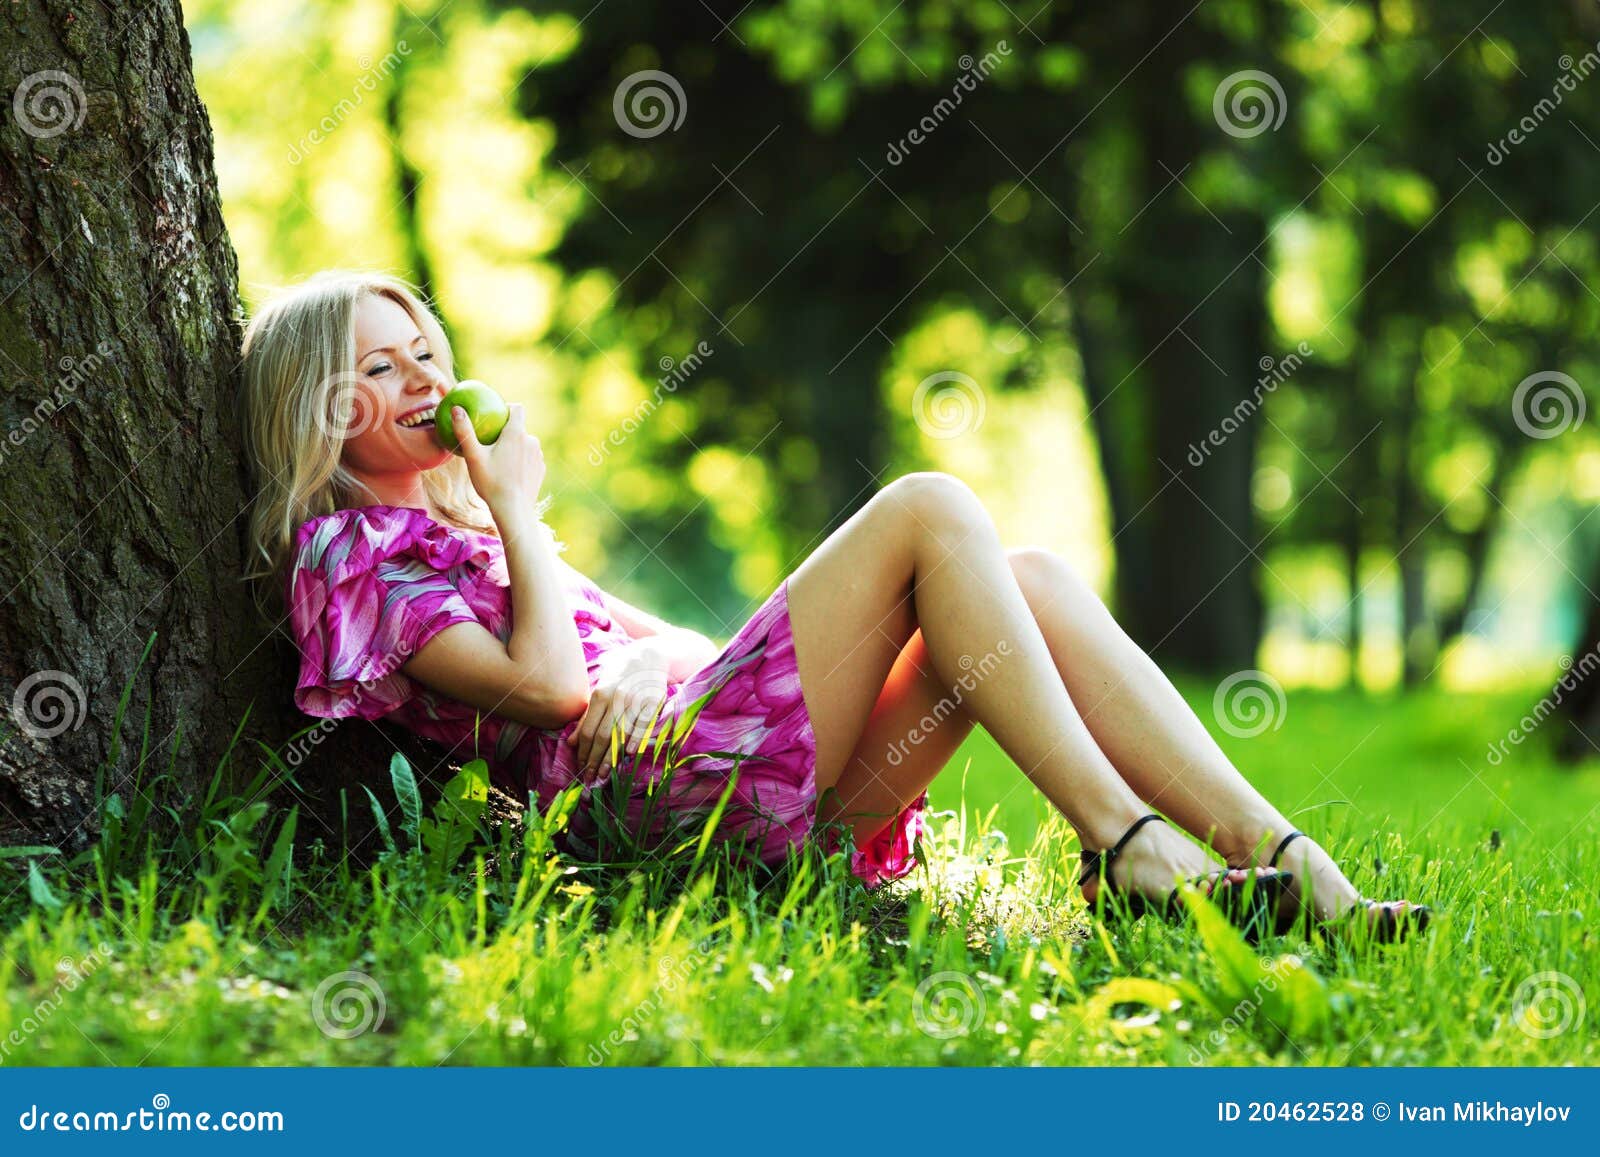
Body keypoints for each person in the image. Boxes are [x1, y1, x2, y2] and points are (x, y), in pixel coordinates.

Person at [241, 270, 1431, 942]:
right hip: (656, 815)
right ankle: (1124, 843)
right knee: (925, 503)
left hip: (714, 776)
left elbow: (651, 655)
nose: (427, 383)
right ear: (313, 409)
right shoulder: (350, 552)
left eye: (426, 352)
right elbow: (550, 687)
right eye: (380, 368)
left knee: (1035, 580)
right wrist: (517, 516)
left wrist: (651, 660)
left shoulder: (455, 530)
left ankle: (1286, 861)